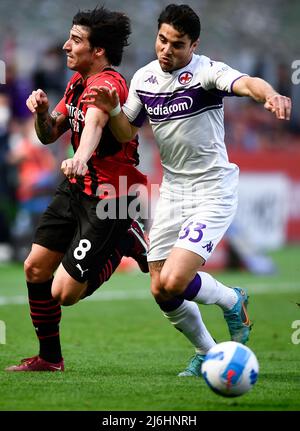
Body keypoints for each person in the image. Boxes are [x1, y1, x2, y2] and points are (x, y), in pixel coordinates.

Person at [82, 3, 291, 377]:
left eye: (177, 44)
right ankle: (208, 353)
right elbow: (127, 132)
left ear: (193, 46)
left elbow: (247, 84)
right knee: (161, 289)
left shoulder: (207, 72)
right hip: (175, 191)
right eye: (162, 40)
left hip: (212, 189)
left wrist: (270, 95)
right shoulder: (144, 79)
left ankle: (231, 299)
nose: (166, 50)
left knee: (176, 280)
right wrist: (114, 111)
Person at [6, 6, 148, 372]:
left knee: (65, 294)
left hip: (111, 197)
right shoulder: (77, 83)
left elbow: (96, 125)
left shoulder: (108, 86)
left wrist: (82, 156)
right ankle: (50, 358)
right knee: (35, 268)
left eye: (76, 40)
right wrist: (40, 113)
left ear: (98, 50)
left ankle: (124, 239)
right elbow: (49, 133)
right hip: (75, 188)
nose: (67, 46)